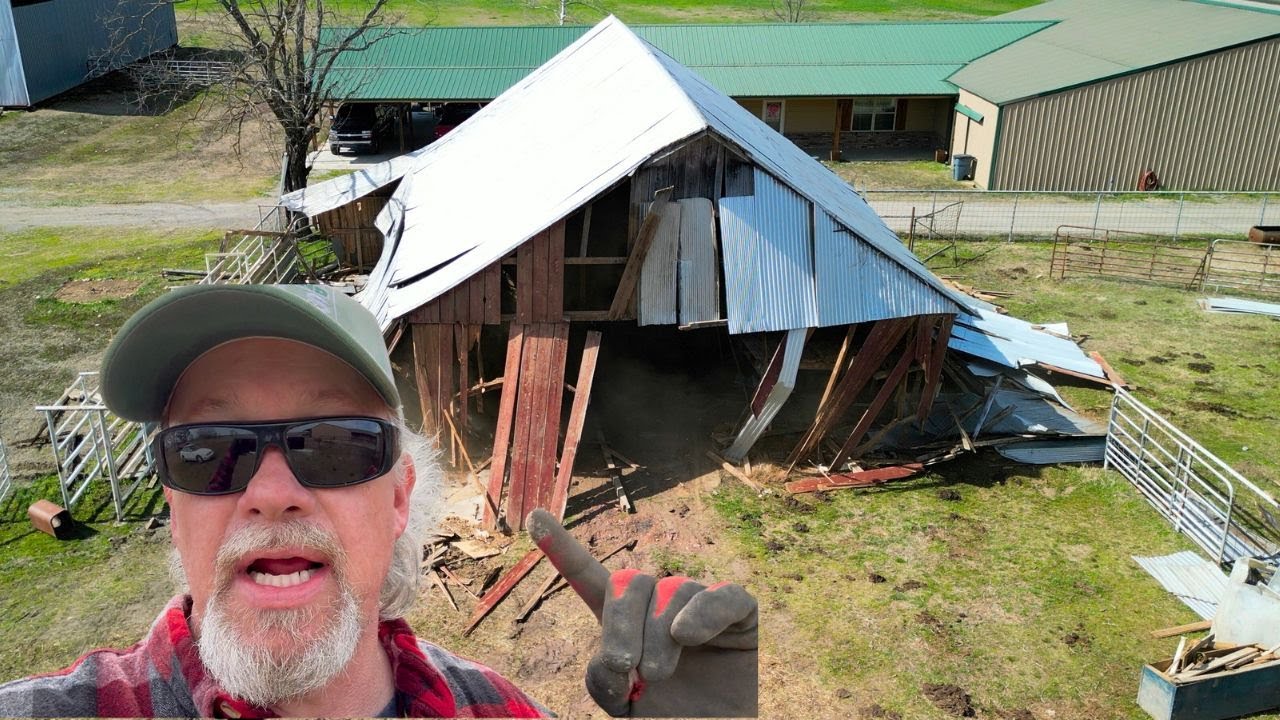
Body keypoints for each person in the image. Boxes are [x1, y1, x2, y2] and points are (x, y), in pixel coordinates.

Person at [0, 284, 757, 718]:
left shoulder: (498, 713)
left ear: (400, 499)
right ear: (174, 501)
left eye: (332, 443)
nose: (270, 494)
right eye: (207, 450)